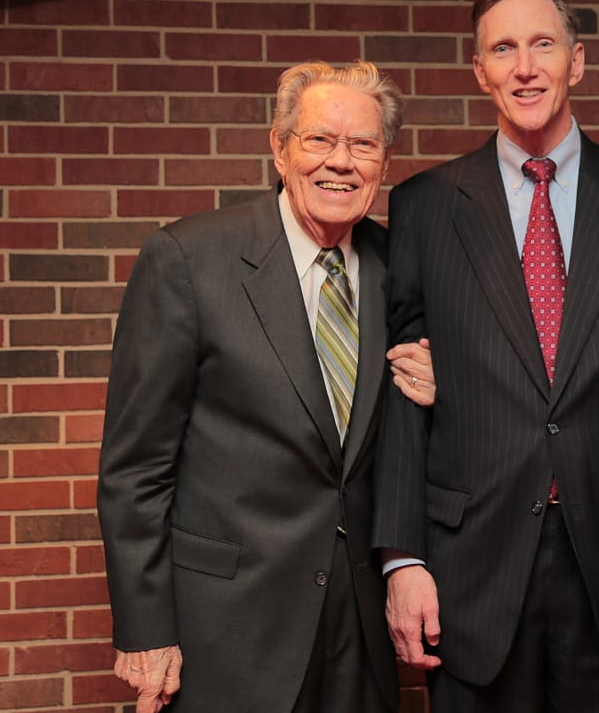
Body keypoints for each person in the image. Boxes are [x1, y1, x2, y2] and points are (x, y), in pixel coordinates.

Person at [372, 0, 599, 713]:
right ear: (480, 71)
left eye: (542, 45)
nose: (524, 66)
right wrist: (403, 557)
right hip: (471, 569)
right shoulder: (425, 207)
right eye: (503, 48)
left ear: (577, 61)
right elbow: (404, 393)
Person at [97, 60, 435, 713]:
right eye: (318, 139)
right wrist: (147, 630)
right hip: (227, 629)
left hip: (360, 630)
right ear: (279, 148)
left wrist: (443, 385)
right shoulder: (190, 260)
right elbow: (135, 469)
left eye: (363, 144)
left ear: (385, 164)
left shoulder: (402, 267)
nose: (340, 162)